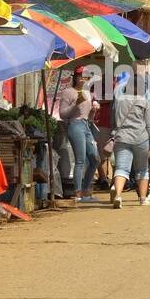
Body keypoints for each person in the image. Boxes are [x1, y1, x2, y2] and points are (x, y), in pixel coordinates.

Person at [111, 72, 150, 207]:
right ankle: (142, 199)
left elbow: (113, 117)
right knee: (142, 169)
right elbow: (149, 124)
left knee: (121, 168)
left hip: (121, 137)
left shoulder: (119, 98)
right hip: (141, 138)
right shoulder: (144, 99)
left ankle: (118, 195)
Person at [58, 66, 100, 203]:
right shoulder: (67, 93)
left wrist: (94, 110)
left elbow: (90, 116)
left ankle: (86, 188)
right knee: (80, 159)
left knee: (95, 159)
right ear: (75, 77)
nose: (83, 79)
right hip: (75, 125)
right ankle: (78, 193)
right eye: (81, 76)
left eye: (86, 76)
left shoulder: (88, 93)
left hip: (86, 125)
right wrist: (76, 104)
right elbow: (63, 114)